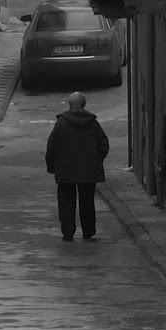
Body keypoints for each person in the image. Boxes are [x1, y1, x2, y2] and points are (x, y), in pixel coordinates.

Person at [45, 91, 109, 241]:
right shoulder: (93, 124)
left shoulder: (61, 124)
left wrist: (52, 167)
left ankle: (68, 232)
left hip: (65, 170)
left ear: (69, 105)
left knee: (66, 201)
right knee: (87, 201)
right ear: (84, 104)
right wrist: (97, 160)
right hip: (88, 170)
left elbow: (51, 148)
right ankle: (88, 231)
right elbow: (104, 145)